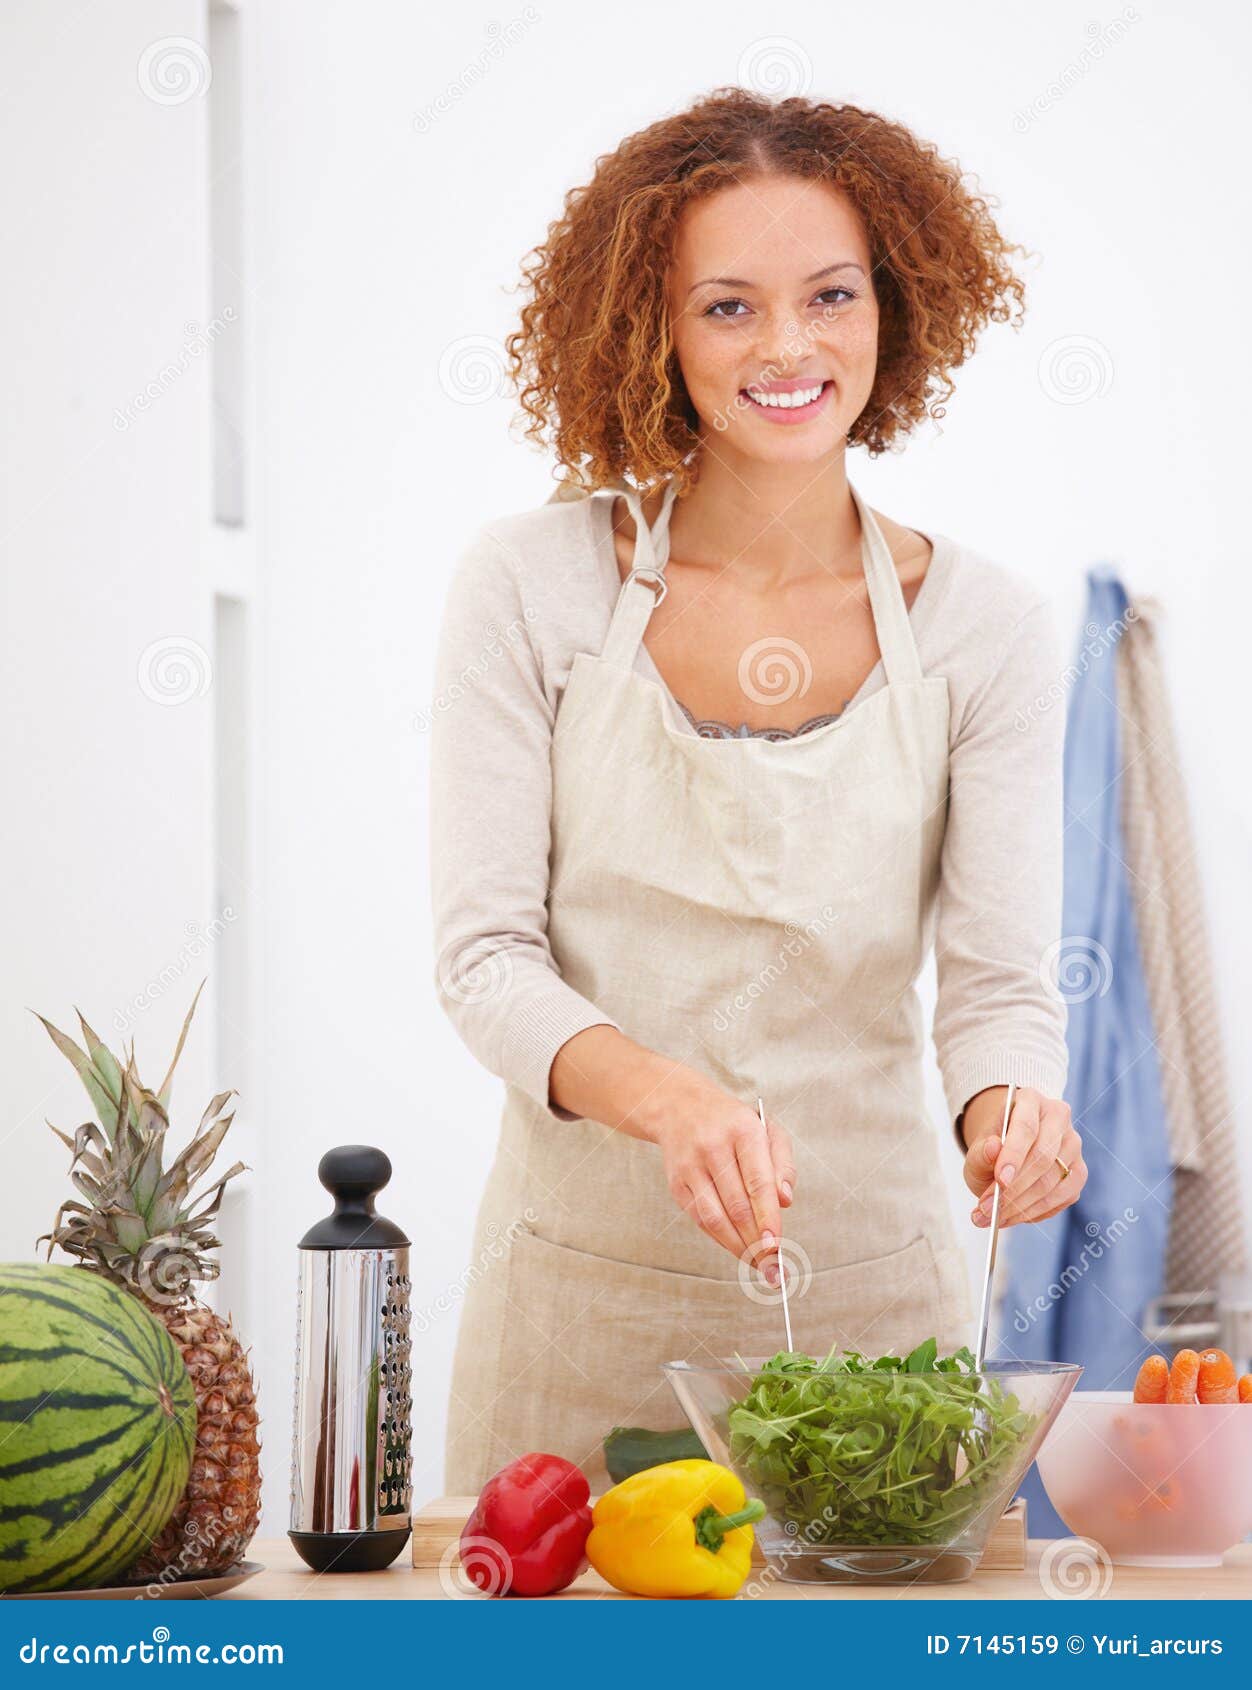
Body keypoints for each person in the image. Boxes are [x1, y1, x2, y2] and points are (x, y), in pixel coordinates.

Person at [430, 88, 1086, 1493]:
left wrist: (1014, 1110)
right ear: (649, 330)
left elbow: (995, 985)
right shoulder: (531, 586)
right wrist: (671, 1100)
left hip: (868, 1319)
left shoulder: (986, 628)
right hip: (581, 1309)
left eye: (830, 295)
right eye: (727, 307)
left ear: (893, 306)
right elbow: (486, 960)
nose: (788, 348)